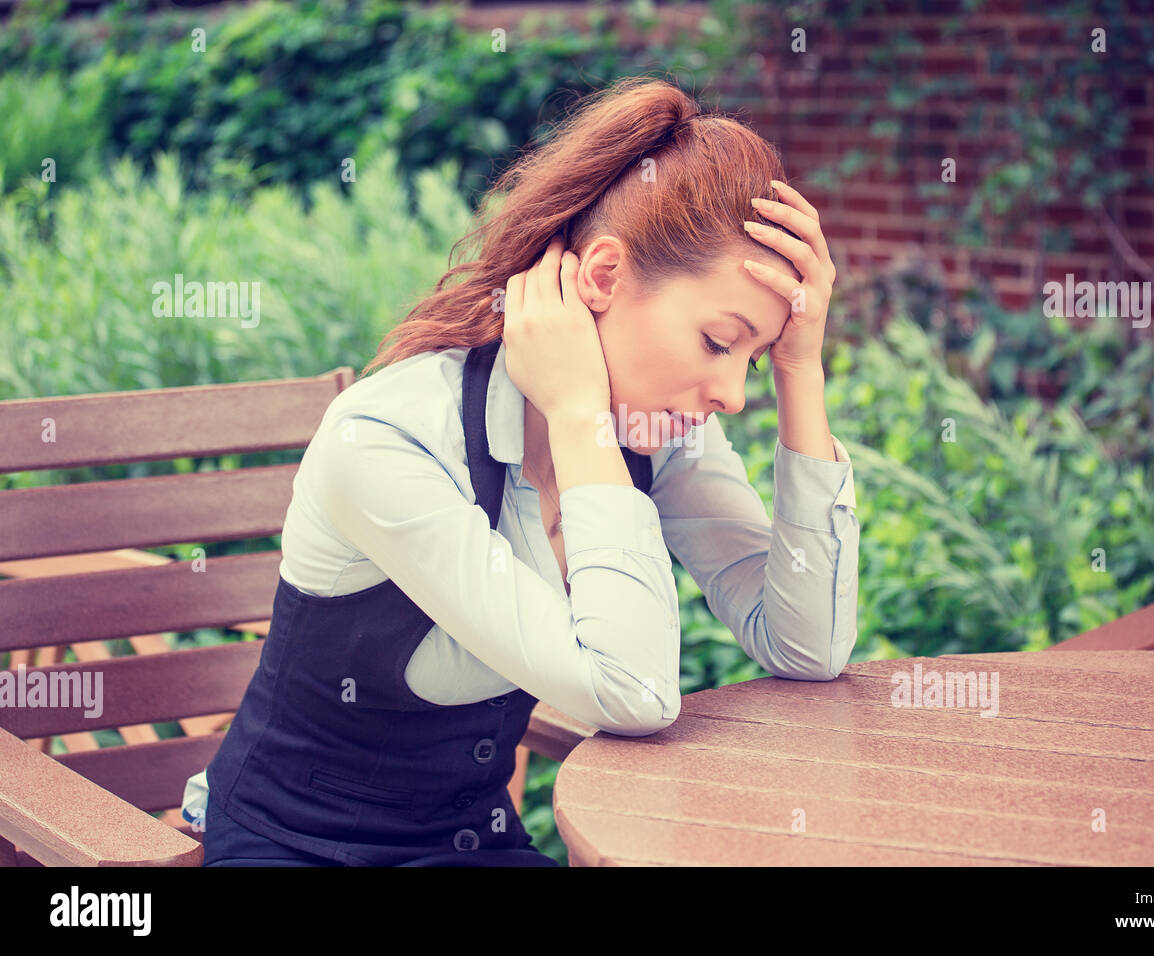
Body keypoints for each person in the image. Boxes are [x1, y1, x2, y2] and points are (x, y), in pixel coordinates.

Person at [186, 75, 860, 866]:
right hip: (293, 846)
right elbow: (634, 694)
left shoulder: (657, 431)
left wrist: (802, 371)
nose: (732, 395)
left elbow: (808, 646)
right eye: (719, 341)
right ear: (602, 279)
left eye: (757, 356)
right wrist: (578, 418)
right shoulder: (389, 437)